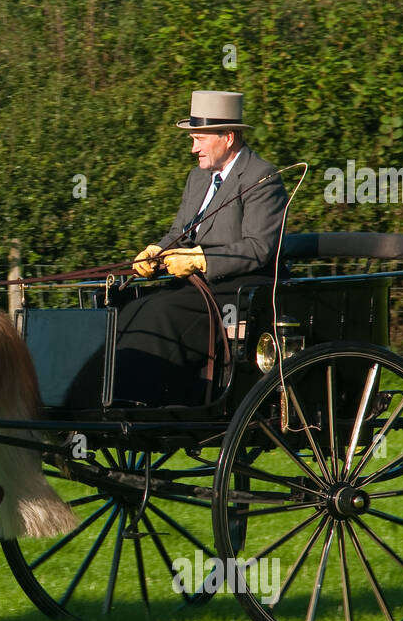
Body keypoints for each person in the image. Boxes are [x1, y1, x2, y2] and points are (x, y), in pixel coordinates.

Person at [112, 90, 288, 407]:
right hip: (200, 288)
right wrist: (157, 251)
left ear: (228, 137)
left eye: (199, 140)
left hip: (239, 288)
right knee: (130, 307)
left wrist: (200, 259)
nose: (193, 149)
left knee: (159, 312)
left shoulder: (262, 177)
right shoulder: (198, 178)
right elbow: (179, 233)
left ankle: (147, 400)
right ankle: (116, 394)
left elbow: (259, 248)